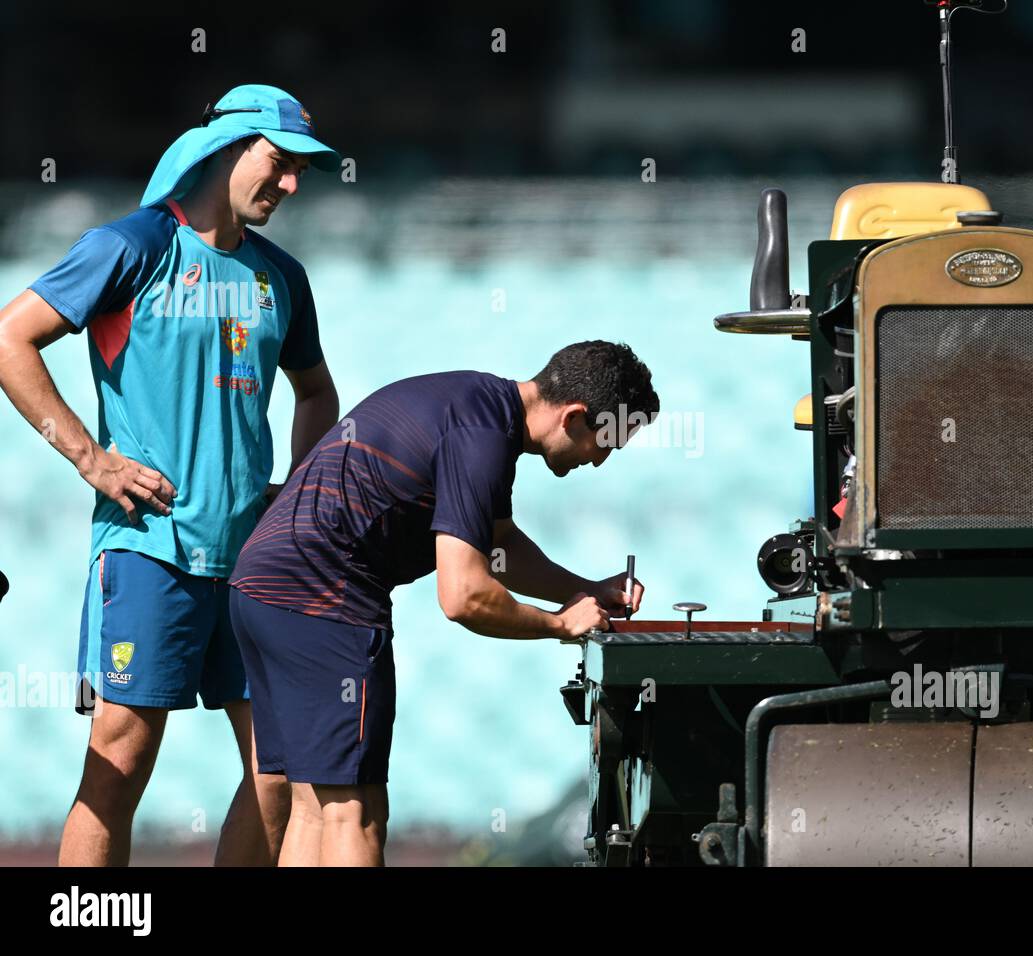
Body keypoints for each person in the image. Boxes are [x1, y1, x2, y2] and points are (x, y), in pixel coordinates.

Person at [0, 84, 342, 865]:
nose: (291, 186)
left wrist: (294, 492)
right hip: (150, 551)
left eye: (300, 173)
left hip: (256, 565)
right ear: (226, 151)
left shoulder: (281, 277)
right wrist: (92, 458)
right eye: (280, 165)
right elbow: (9, 340)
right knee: (119, 768)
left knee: (279, 772)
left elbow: (316, 392)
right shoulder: (133, 246)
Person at [227, 341, 659, 865]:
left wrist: (584, 590)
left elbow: (499, 545)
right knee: (355, 813)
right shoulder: (483, 439)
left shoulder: (478, 405)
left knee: (313, 805)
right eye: (606, 443)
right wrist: (559, 624)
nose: (600, 461)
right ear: (573, 416)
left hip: (260, 590)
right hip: (325, 602)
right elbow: (464, 596)